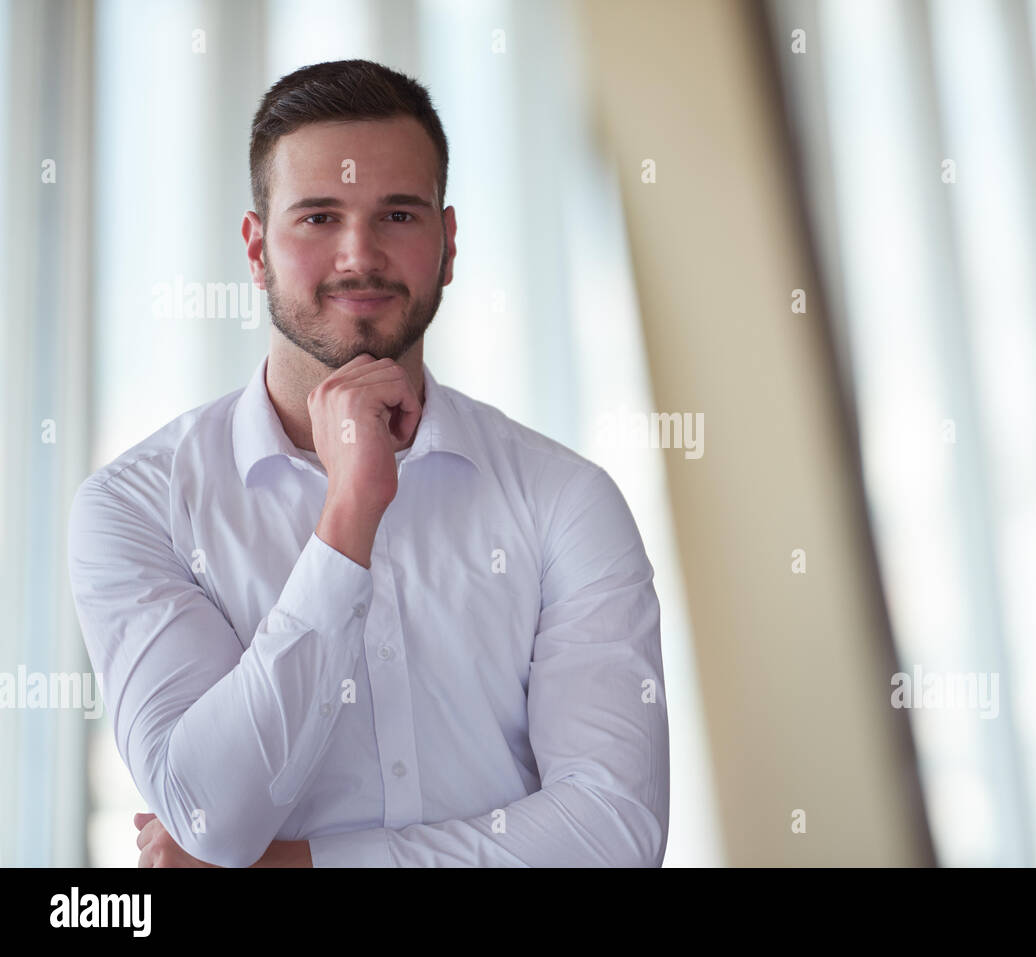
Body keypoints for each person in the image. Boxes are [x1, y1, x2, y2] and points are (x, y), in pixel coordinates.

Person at [67, 59, 669, 868]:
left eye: (397, 214)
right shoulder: (136, 508)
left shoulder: (565, 498)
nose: (360, 255)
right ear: (256, 250)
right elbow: (210, 811)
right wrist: (348, 518)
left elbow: (613, 833)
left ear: (447, 244)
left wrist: (294, 864)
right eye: (318, 217)